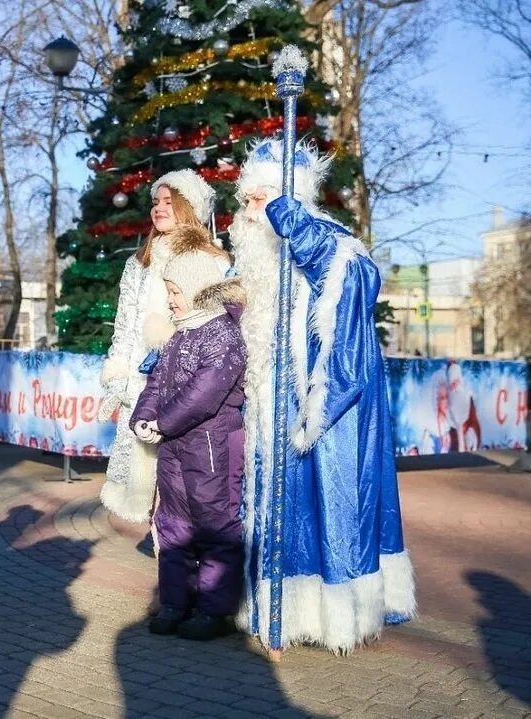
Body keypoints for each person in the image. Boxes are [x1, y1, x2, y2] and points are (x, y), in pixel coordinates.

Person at [230, 138, 416, 653]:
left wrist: (289, 221)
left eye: (258, 200)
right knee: (274, 506)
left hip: (318, 408)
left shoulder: (326, 239)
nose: (246, 212)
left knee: (324, 503)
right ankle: (280, 613)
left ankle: (333, 617)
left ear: (288, 199)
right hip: (267, 404)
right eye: (245, 200)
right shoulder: (252, 258)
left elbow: (351, 275)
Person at [129, 248, 247, 640]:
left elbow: (205, 393)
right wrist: (143, 419)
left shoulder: (224, 334)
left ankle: (214, 610)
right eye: (169, 290)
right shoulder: (180, 334)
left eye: (175, 291)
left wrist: (162, 422)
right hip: (174, 445)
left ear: (197, 289)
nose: (170, 299)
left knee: (214, 522)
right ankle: (176, 602)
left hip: (211, 445)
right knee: (174, 524)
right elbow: (157, 383)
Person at [98, 170, 219, 524]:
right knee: (145, 483)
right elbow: (124, 325)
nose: (159, 208)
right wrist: (119, 375)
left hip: (186, 384)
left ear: (189, 207)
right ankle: (169, 560)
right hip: (140, 381)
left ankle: (184, 564)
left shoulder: (210, 260)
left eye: (169, 202)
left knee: (181, 485)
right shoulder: (138, 264)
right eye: (155, 202)